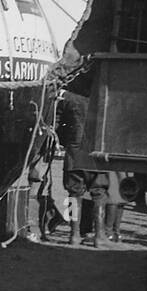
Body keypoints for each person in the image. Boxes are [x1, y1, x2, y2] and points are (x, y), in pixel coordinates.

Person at [56, 87, 111, 247]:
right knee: (99, 194)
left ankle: (73, 235)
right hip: (97, 154)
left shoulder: (69, 98)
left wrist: (63, 141)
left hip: (74, 153)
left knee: (74, 195)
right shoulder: (107, 98)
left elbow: (57, 122)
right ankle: (99, 235)